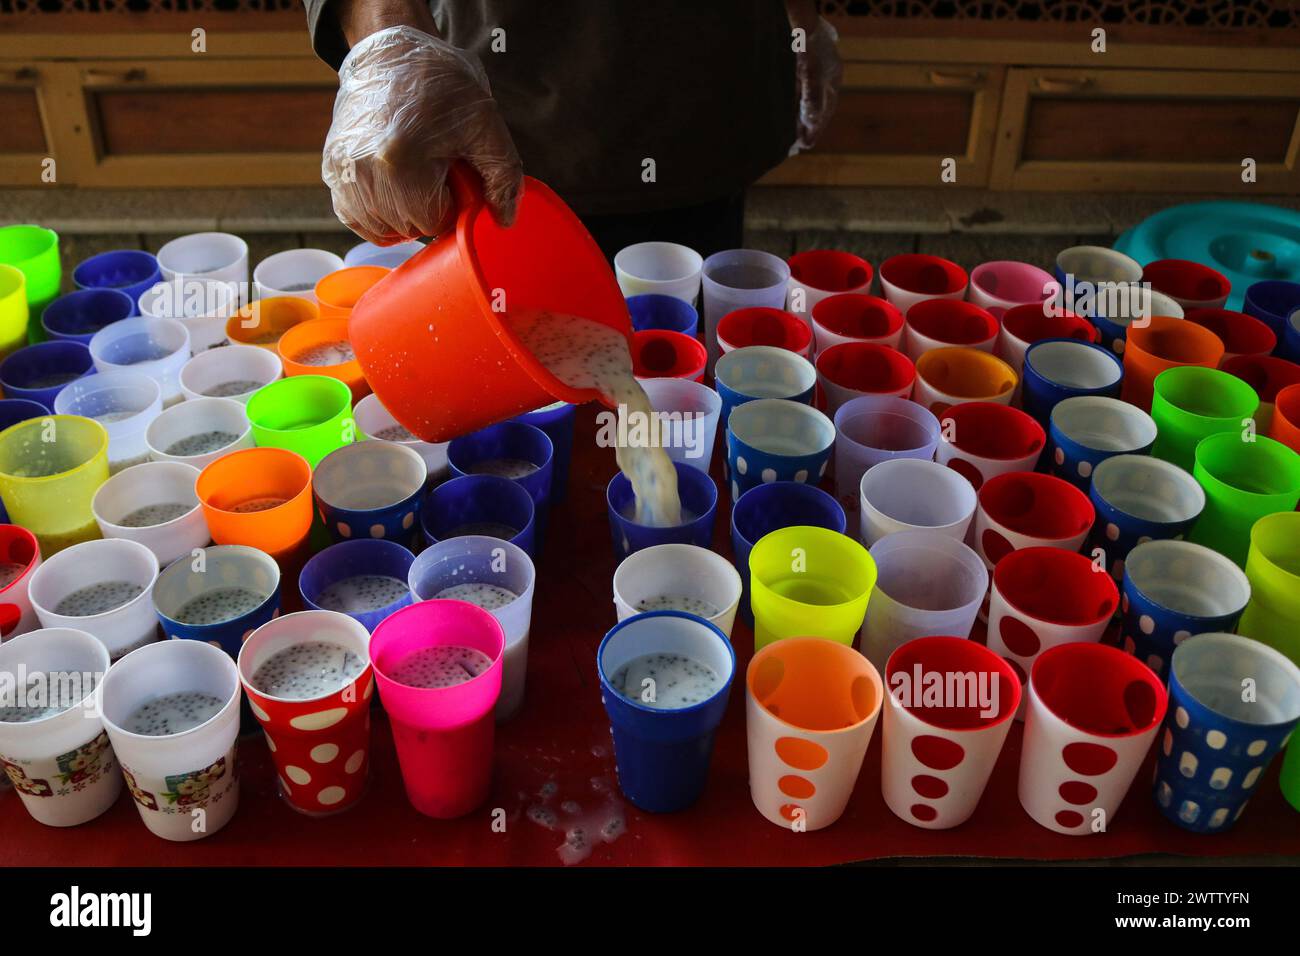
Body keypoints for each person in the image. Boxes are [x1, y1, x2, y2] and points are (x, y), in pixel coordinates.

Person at [304, 0, 841, 259]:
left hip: (703, 108)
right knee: (488, 399)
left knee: (676, 362)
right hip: (494, 115)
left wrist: (802, 16)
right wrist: (387, 33)